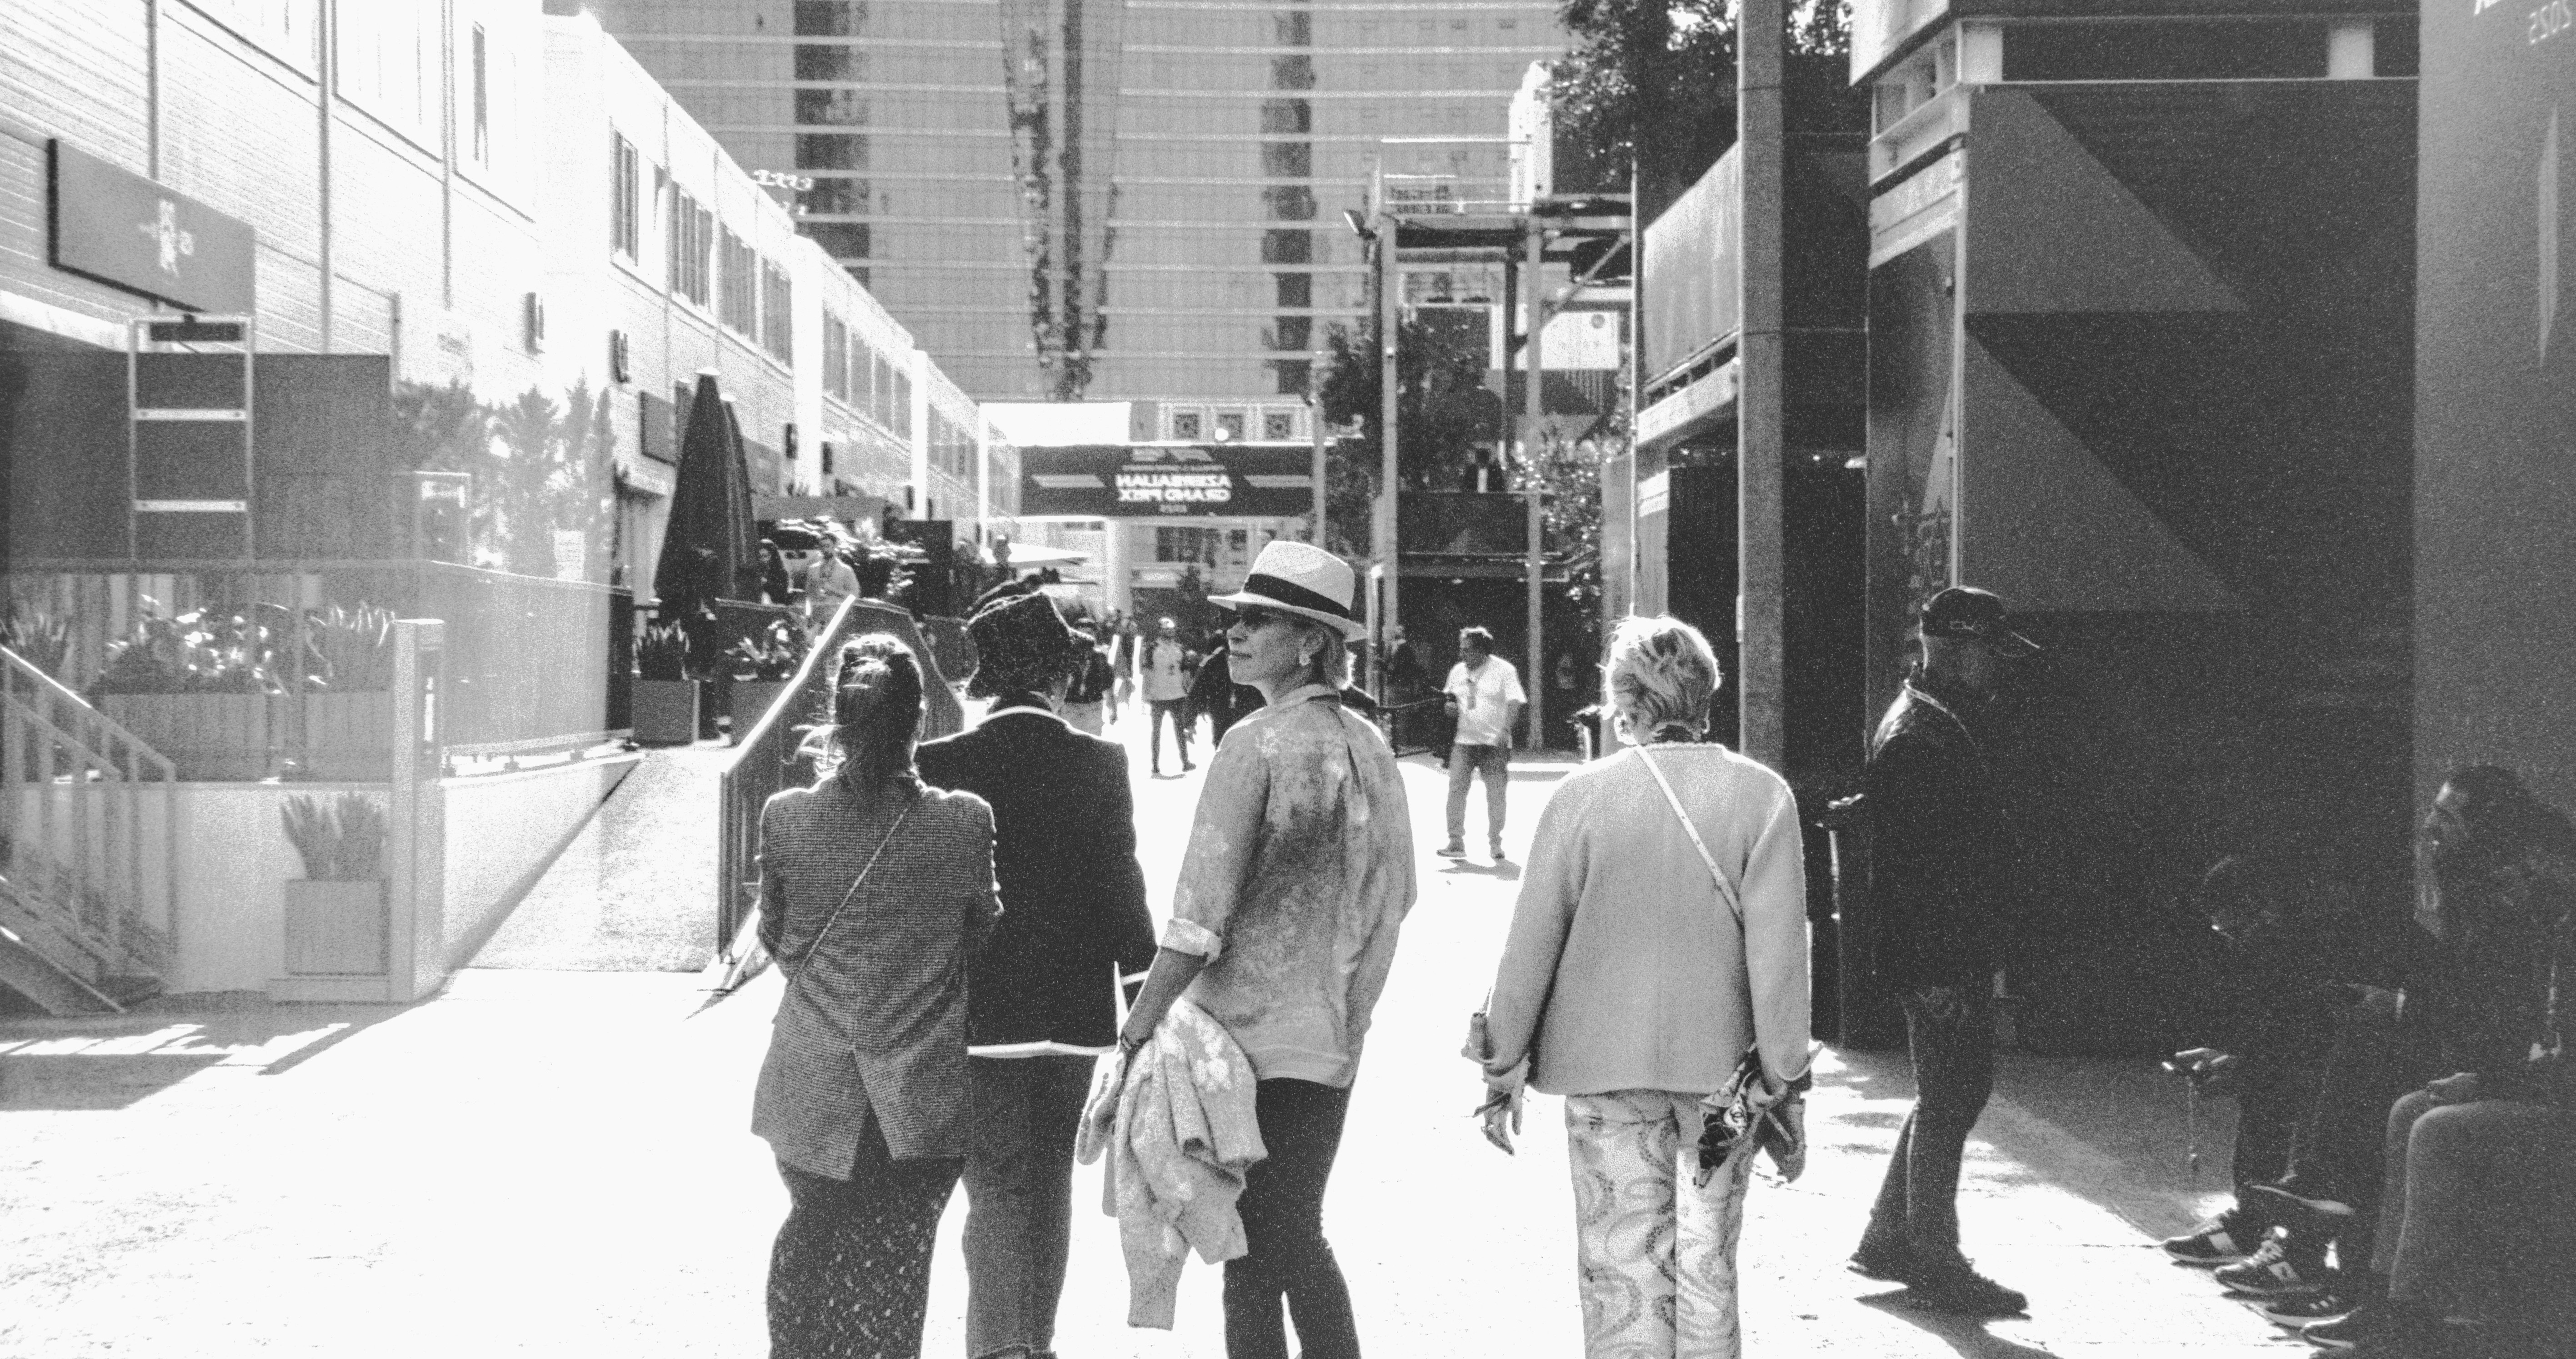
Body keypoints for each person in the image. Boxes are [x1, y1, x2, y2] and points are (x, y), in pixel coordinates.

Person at [1475, 615, 1812, 1359]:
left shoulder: (1581, 797)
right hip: (1724, 1087)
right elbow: (1782, 956)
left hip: (1606, 1082)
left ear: (1622, 700)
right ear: (1707, 695)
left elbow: (1528, 946)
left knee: (1620, 1271)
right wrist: (1785, 1084)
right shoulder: (1762, 797)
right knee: (1705, 1270)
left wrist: (1502, 1070)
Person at [1115, 540, 1416, 1359]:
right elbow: (1399, 897)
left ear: (1312, 640)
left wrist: (1137, 1026)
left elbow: (1196, 918)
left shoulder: (1254, 744)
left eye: (1258, 620)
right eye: (1236, 618)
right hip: (1328, 1038)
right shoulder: (1372, 747)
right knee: (1281, 1234)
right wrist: (1351, 1003)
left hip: (1233, 1044)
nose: (1235, 634)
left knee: (1259, 1243)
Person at [2226, 765, 2575, 1311]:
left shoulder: (2523, 914)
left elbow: (2502, 1015)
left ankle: (2384, 1294)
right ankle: (2338, 1254)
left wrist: (2477, 1069)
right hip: (2504, 1061)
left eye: (2447, 816)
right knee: (2339, 1046)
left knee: (2417, 1105)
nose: (2432, 826)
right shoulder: (2471, 889)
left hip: (2518, 1071)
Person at [917, 593, 1155, 1359]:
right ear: (1058, 675)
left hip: (973, 1014)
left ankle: (994, 1347)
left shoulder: (940, 763)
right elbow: (1123, 890)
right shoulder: (1099, 764)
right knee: (1050, 1190)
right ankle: (1035, 1345)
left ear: (990, 677)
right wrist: (1142, 1010)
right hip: (1070, 1013)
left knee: (991, 1195)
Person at [751, 636, 1001, 1359]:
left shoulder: (786, 817)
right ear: (919, 721)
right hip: (917, 1095)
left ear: (837, 718)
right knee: (893, 1267)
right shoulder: (964, 821)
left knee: (814, 1236)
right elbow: (980, 932)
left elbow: (777, 936)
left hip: (810, 1090)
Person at [1849, 585, 2041, 1317]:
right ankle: (1930, 1255)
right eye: (1991, 653)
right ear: (1961, 651)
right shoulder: (1922, 737)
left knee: (1950, 1090)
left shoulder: (1931, 722)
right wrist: (1925, 972)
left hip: (1945, 946)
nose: (1999, 668)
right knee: (1952, 1093)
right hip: (1938, 951)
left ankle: (1891, 1236)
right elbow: (1905, 875)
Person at [2300, 1055, 2576, 1357]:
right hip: (2552, 1090)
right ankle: (2382, 1300)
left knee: (2439, 1129)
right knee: (2411, 1109)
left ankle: (2412, 1331)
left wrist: (2491, 1084)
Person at [2159, 855, 2346, 1268]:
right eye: (2223, 932)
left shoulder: (2329, 948)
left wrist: (2249, 1067)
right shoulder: (2274, 950)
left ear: (2269, 909)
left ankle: (2287, 1238)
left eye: (2240, 928)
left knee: (2291, 1092)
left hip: (2353, 1070)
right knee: (2264, 1085)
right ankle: (2253, 1217)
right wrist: (2234, 1062)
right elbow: (2284, 1038)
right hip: (2319, 1061)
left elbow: (2320, 1045)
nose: (2237, 941)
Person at [1441, 625, 1526, 863]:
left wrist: (1506, 731)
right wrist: (1449, 708)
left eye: (1467, 651)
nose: (1462, 655)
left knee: (1496, 794)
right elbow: (1449, 697)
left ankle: (1495, 842)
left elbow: (1515, 702)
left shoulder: (1504, 670)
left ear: (1482, 651)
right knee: (1456, 790)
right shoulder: (1458, 671)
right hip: (1463, 741)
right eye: (1461, 650)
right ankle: (1455, 842)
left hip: (1494, 744)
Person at [1139, 616, 1195, 776]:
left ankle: (1185, 762)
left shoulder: (1180, 649)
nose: (1169, 633)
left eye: (1171, 630)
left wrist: (1189, 691)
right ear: (1160, 631)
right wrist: (1145, 694)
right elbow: (1147, 672)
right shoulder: (1152, 649)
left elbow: (1185, 672)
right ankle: (1155, 765)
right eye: (1165, 630)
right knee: (1156, 731)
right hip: (1158, 695)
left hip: (1178, 694)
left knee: (1180, 730)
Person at [1188, 641, 1254, 745]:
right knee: (1223, 745)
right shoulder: (1213, 663)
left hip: (1246, 714)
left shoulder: (1250, 660)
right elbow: (1198, 691)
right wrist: (1190, 720)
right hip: (1222, 715)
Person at [1062, 624, 1116, 736]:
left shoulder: (1100, 658)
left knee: (1092, 745)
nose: (1085, 638)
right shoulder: (1068, 657)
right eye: (1082, 634)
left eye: (1089, 633)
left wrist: (1113, 709)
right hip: (1071, 708)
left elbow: (1108, 685)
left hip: (1093, 708)